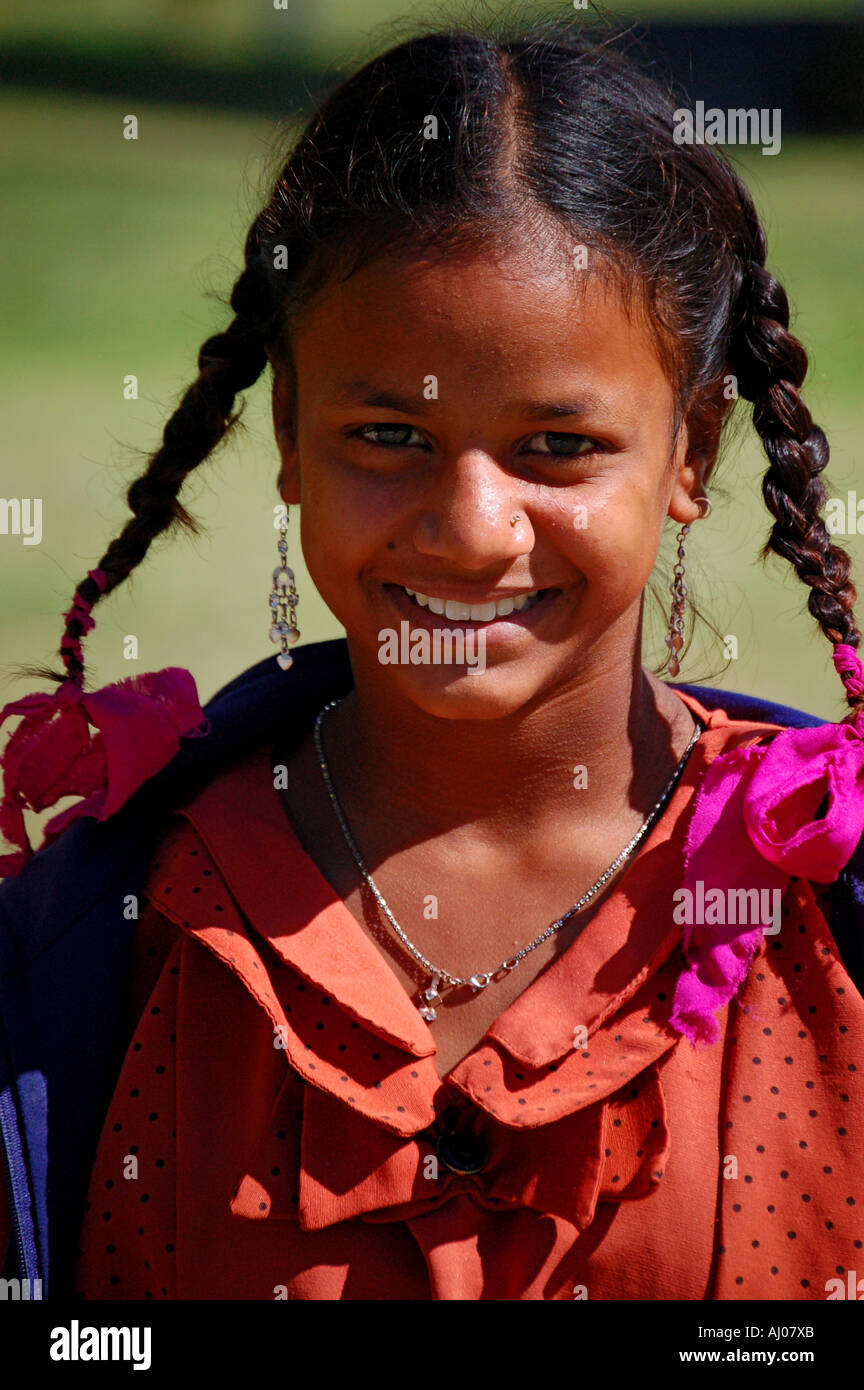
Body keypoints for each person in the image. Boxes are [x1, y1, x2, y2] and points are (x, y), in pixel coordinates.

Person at [1, 16, 862, 1302]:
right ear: (288, 431)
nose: (471, 529)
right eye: (391, 431)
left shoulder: (823, 905)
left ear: (689, 451)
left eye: (559, 446)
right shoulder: (102, 938)